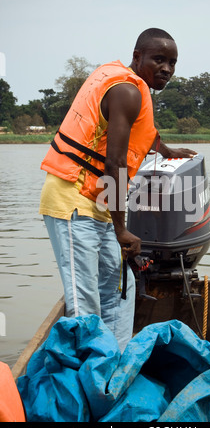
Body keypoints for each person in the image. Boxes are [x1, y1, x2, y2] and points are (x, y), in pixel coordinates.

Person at [39, 28, 197, 352]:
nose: (166, 68)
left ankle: (115, 365)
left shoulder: (134, 88)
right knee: (85, 302)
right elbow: (115, 164)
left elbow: (137, 131)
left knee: (119, 286)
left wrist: (165, 150)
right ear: (137, 57)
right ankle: (90, 386)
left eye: (172, 62)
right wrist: (121, 229)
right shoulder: (126, 90)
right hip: (72, 200)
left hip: (95, 203)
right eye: (159, 59)